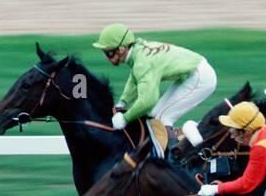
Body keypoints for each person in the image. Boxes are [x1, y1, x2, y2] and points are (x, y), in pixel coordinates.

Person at [91, 23, 217, 156]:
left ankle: (174, 160)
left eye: (108, 52)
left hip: (200, 77)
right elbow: (134, 79)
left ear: (122, 49)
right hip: (193, 73)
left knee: (162, 118)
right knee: (155, 116)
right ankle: (178, 146)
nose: (106, 57)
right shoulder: (137, 51)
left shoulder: (142, 63)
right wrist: (122, 103)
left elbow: (147, 101)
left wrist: (125, 118)